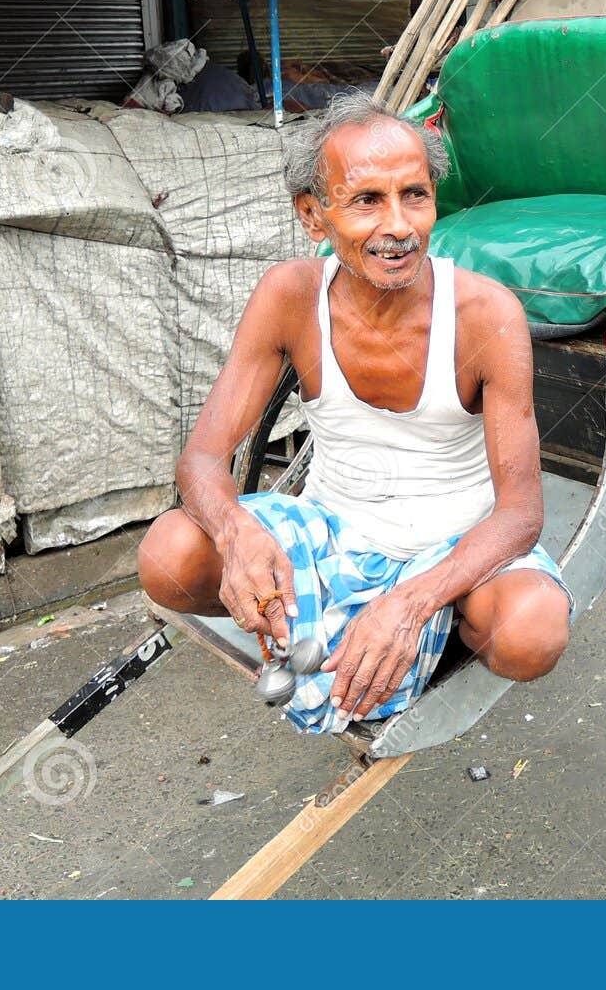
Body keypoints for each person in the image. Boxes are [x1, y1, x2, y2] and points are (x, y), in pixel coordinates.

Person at [138, 93, 572, 734]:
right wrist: (236, 535)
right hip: (333, 532)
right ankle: (360, 627)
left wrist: (410, 604)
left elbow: (520, 514)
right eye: (367, 200)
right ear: (314, 216)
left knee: (531, 632)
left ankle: (435, 622)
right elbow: (203, 456)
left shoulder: (485, 314)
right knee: (168, 557)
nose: (398, 226)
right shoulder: (290, 296)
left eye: (414, 196)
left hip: (454, 548)